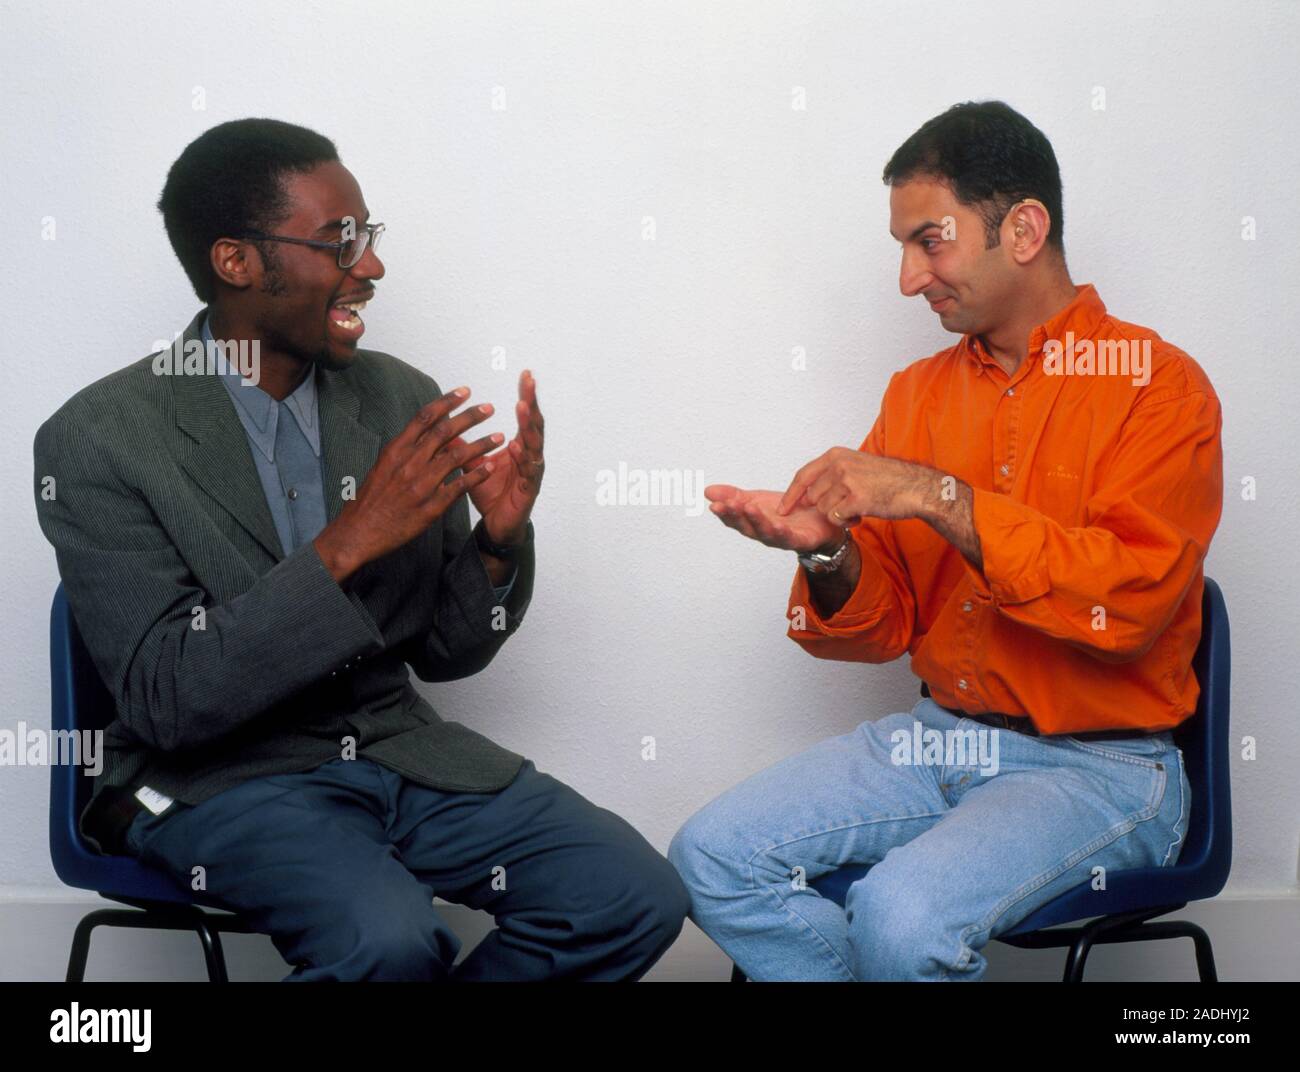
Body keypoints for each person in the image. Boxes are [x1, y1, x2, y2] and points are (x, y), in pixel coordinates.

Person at [33, 117, 687, 981]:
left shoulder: (397, 397)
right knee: (385, 941)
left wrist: (497, 542)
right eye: (339, 241)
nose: (371, 266)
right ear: (236, 261)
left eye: (367, 236)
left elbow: (446, 653)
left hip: (397, 750)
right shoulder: (99, 439)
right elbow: (167, 703)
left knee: (630, 892)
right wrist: (346, 544)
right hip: (216, 778)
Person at [668, 100, 1223, 981]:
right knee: (711, 856)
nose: (907, 279)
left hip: (1100, 769)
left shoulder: (1160, 388)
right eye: (902, 247)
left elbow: (1127, 607)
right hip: (938, 739)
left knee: (900, 915)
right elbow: (883, 626)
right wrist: (826, 552)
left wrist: (936, 496)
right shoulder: (916, 394)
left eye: (930, 241)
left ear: (1025, 229)